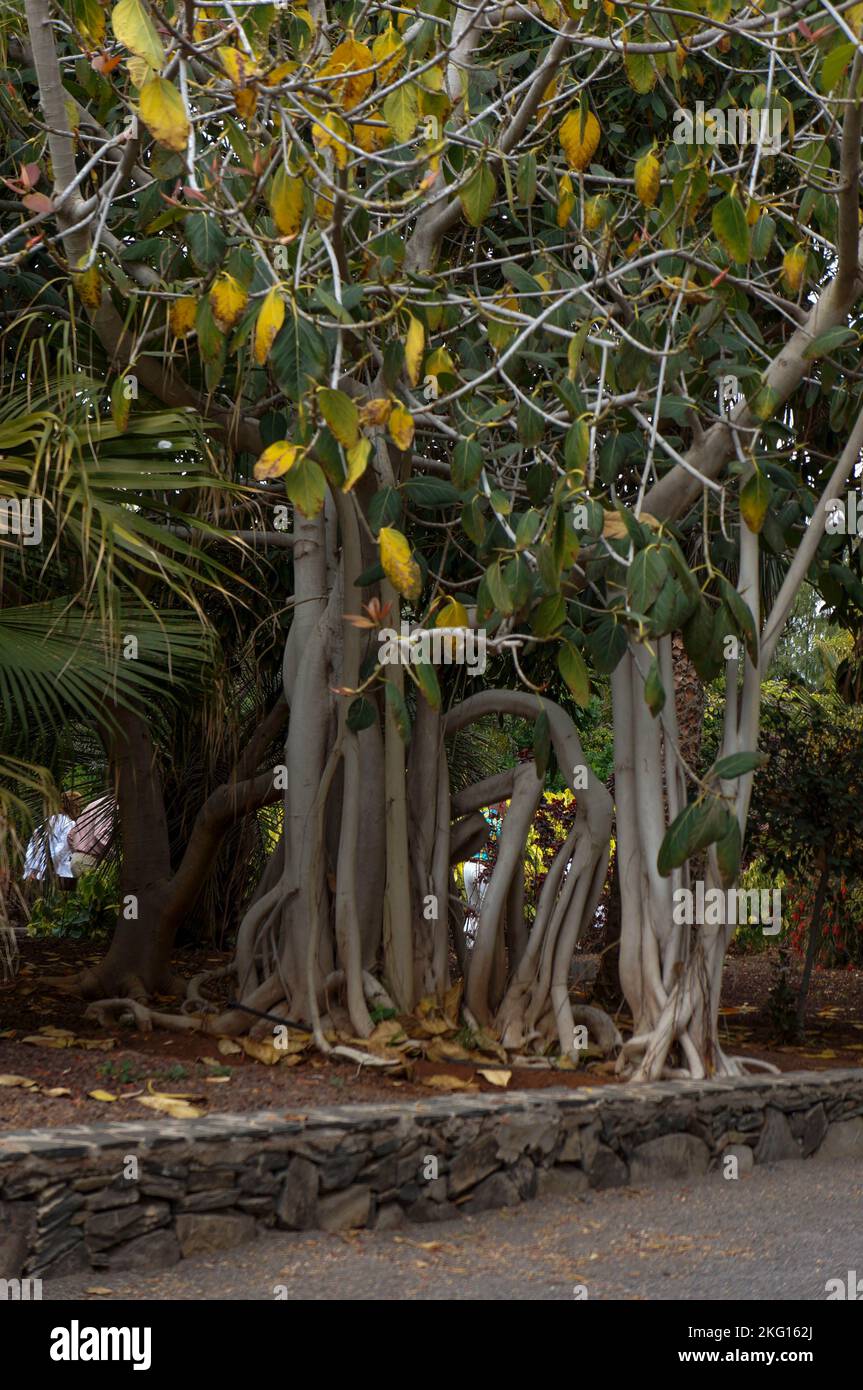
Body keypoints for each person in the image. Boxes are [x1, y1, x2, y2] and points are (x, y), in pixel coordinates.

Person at [22, 791, 82, 892]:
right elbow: (61, 849)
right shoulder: (70, 824)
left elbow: (34, 844)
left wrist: (32, 869)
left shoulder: (48, 821)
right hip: (61, 875)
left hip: (39, 874)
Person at [68, 794, 116, 878]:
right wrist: (113, 855)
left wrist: (78, 852)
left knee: (81, 890)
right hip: (90, 860)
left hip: (77, 859)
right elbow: (100, 833)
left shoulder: (93, 804)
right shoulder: (111, 805)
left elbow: (70, 835)